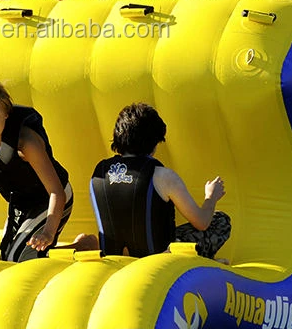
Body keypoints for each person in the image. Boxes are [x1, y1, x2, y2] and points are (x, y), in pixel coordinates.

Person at [90, 103, 231, 259]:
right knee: (221, 221)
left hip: (113, 258)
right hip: (159, 260)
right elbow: (202, 222)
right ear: (153, 141)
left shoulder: (99, 173)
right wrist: (211, 197)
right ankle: (204, 263)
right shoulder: (163, 176)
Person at [0, 79, 73, 262]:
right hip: (21, 205)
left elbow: (56, 192)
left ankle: (83, 246)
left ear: (6, 114)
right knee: (7, 259)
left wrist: (48, 233)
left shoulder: (26, 143)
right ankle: (80, 246)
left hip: (51, 198)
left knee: (18, 258)